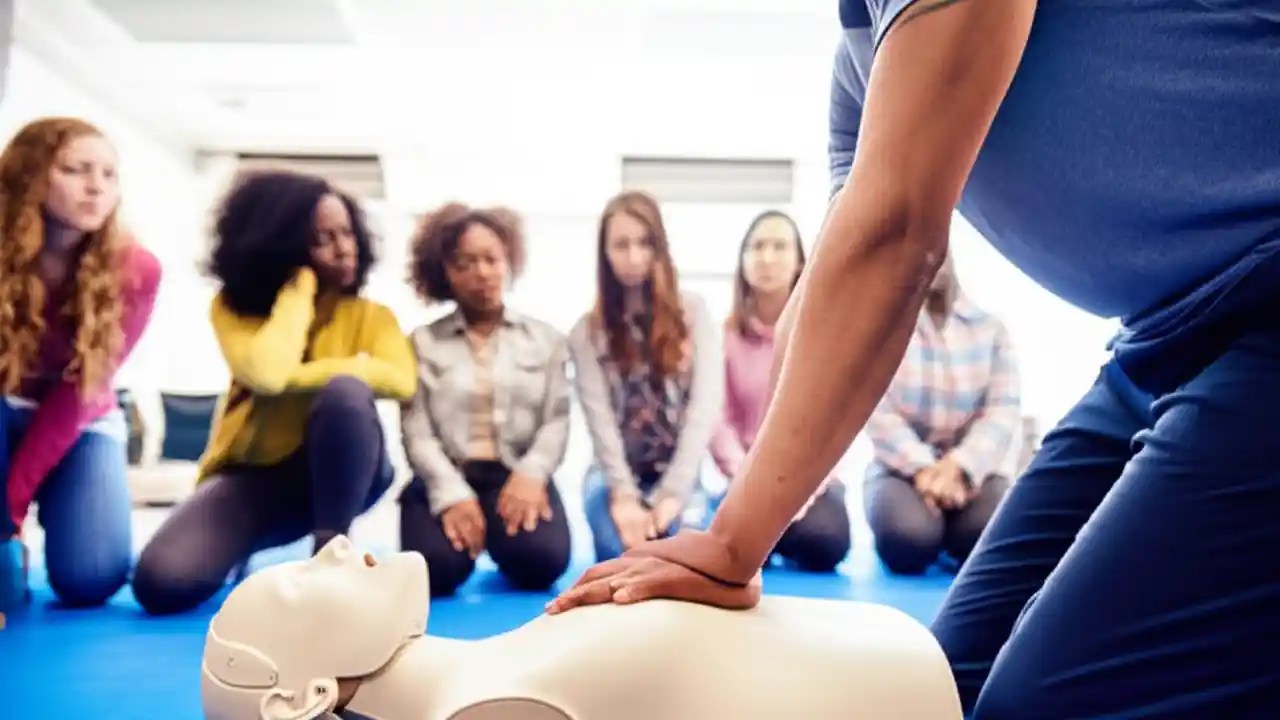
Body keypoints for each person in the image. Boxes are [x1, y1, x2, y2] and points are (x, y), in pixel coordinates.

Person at [550, 0, 1280, 716]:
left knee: (1041, 705)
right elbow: (836, 278)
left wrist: (733, 542)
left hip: (1263, 315)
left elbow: (897, 238)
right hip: (1158, 346)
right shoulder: (863, 51)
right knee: (944, 683)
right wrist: (749, 519)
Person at [199, 535, 964, 720]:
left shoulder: (494, 671)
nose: (334, 546)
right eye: (299, 585)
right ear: (305, 698)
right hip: (914, 690)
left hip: (905, 659)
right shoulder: (485, 709)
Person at [131, 170, 416, 615]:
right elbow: (267, 373)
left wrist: (305, 377)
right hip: (254, 479)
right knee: (161, 582)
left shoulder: (372, 316)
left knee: (345, 394)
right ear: (283, 247)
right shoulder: (233, 310)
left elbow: (401, 380)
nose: (344, 248)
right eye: (321, 239)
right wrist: (299, 289)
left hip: (344, 474)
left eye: (346, 232)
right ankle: (244, 544)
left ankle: (331, 554)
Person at [0, 117, 161, 609]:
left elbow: (79, 393)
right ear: (30, 176)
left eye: (109, 174)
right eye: (75, 170)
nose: (96, 187)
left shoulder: (137, 269)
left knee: (91, 579)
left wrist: (10, 509)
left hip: (79, 416)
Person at [398, 203, 572, 597]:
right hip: (446, 474)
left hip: (514, 475)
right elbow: (416, 432)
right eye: (465, 263)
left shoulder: (546, 340)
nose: (481, 272)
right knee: (434, 571)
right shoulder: (422, 343)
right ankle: (462, 531)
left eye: (491, 259)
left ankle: (499, 537)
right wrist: (451, 495)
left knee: (543, 562)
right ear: (444, 271)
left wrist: (533, 474)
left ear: (508, 260)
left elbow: (557, 419)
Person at [569, 190, 722, 562]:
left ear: (659, 247)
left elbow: (704, 408)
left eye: (644, 243)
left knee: (686, 556)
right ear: (605, 253)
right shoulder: (586, 333)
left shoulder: (694, 314)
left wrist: (673, 493)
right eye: (621, 245)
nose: (634, 257)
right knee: (621, 554)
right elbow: (600, 424)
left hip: (679, 474)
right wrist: (623, 497)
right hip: (613, 478)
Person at [710, 210, 850, 573]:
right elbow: (717, 420)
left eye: (779, 246)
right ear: (742, 261)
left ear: (800, 262)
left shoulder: (823, 337)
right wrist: (748, 479)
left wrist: (801, 490)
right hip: (744, 476)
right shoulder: (723, 338)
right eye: (757, 247)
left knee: (827, 542)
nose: (767, 257)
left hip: (806, 480)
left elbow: (834, 423)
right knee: (737, 544)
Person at [864, 252, 1017, 574]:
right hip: (900, 469)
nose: (931, 257)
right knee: (907, 541)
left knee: (986, 537)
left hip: (974, 471)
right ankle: (931, 525)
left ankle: (951, 528)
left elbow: (1002, 411)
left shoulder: (991, 330)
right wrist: (925, 470)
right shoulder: (882, 328)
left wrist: (959, 466)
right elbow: (875, 410)